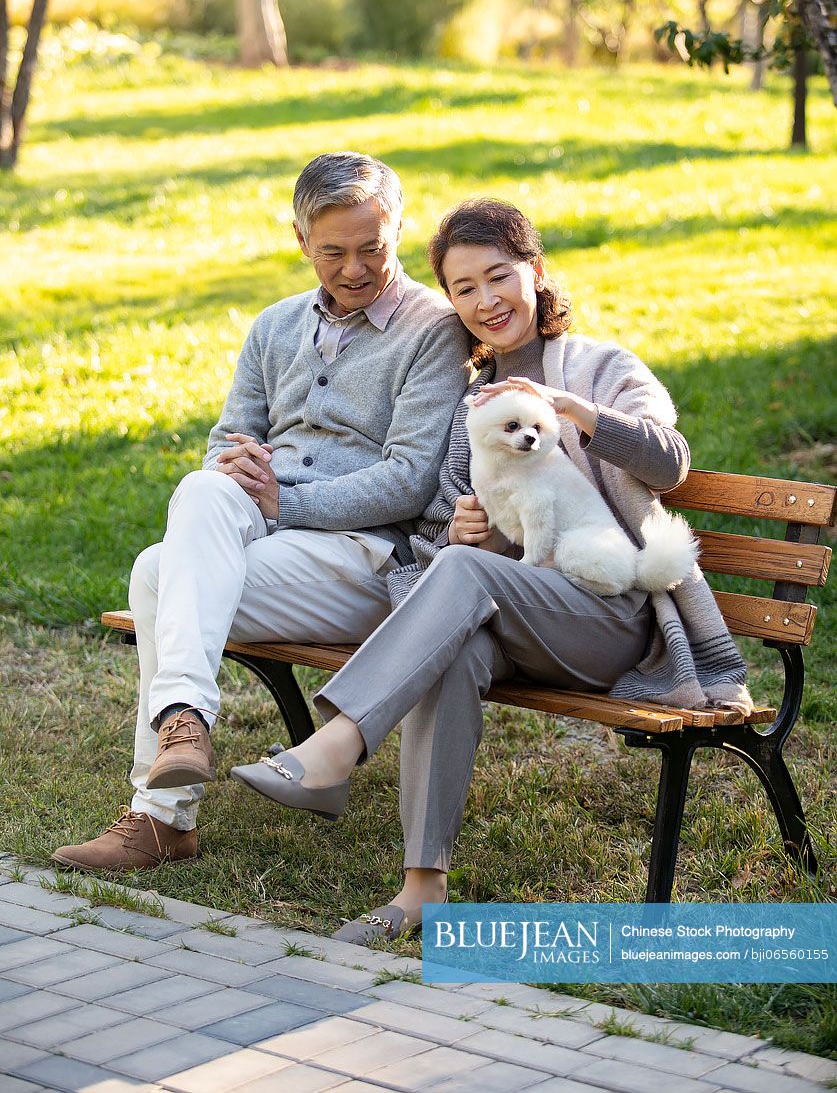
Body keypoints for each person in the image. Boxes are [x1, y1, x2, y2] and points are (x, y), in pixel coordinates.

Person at [231, 198, 751, 944]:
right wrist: (467, 530)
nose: (485, 300)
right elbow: (463, 527)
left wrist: (568, 407)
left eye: (497, 276)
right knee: (456, 645)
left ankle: (335, 746)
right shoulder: (469, 401)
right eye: (463, 288)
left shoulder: (603, 365)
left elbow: (668, 462)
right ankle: (421, 889)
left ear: (535, 274)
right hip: (526, 613)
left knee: (465, 582)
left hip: (610, 617)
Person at [52, 152, 471, 871]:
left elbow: (406, 480)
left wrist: (286, 500)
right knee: (203, 490)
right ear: (300, 240)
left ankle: (163, 812)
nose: (355, 267)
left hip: (366, 561)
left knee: (157, 575)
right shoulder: (273, 326)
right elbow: (228, 443)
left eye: (373, 246)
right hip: (268, 539)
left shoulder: (431, 332)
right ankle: (182, 732)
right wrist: (233, 469)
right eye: (333, 251)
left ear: (396, 230)